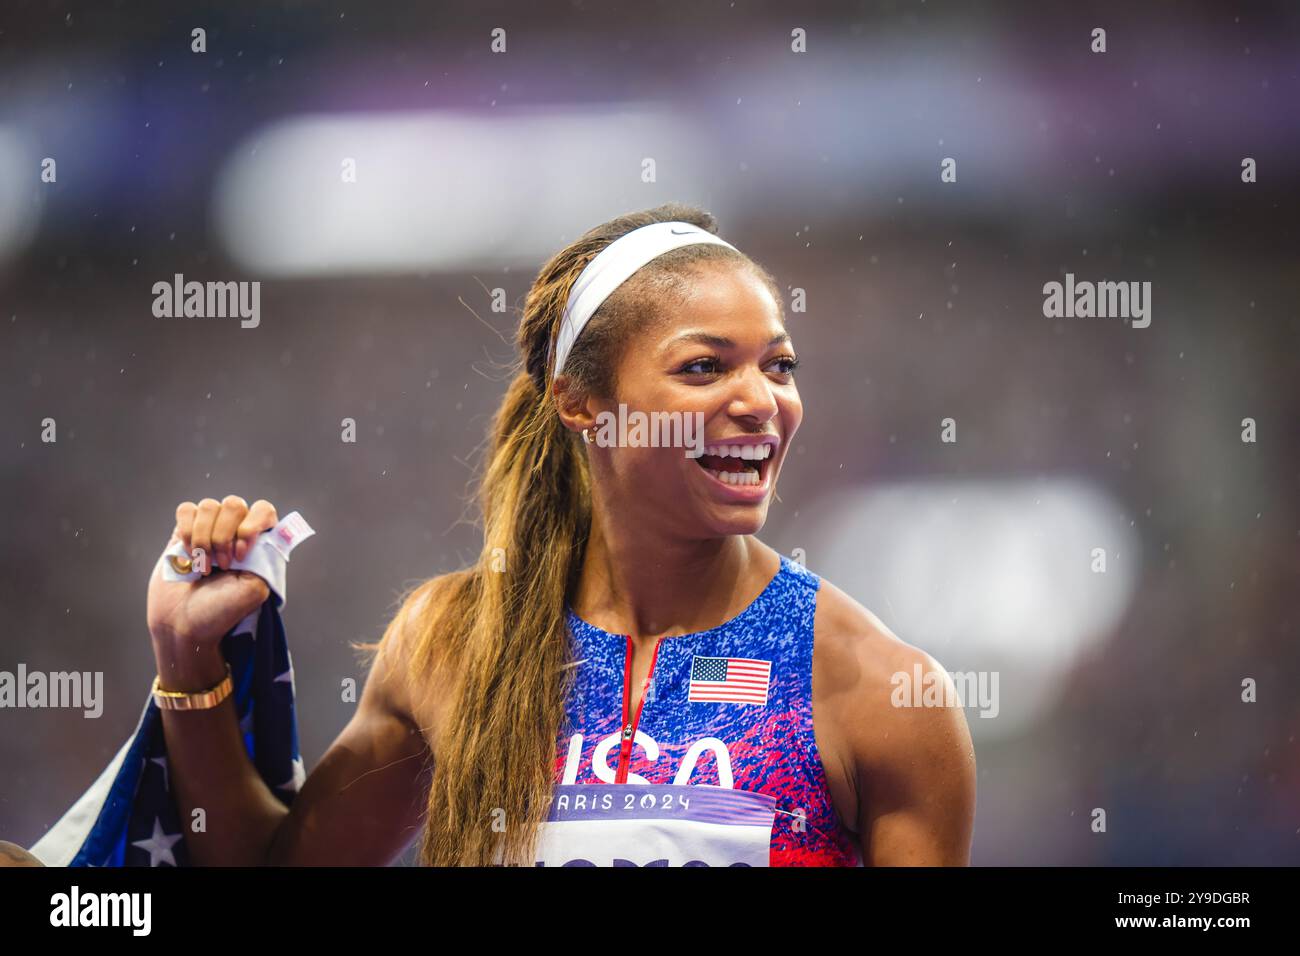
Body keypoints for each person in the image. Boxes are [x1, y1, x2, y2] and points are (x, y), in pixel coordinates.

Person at [19, 202, 976, 867]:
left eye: (779, 365)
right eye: (703, 368)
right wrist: (187, 658)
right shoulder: (455, 647)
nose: (760, 401)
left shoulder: (877, 695)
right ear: (581, 402)